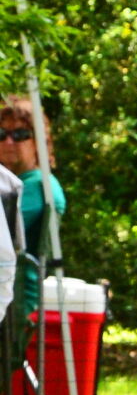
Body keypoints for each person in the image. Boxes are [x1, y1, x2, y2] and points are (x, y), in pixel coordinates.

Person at [0, 94, 63, 316]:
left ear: (39, 142)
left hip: (14, 307)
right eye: (2, 134)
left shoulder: (37, 185)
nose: (9, 142)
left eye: (20, 135)